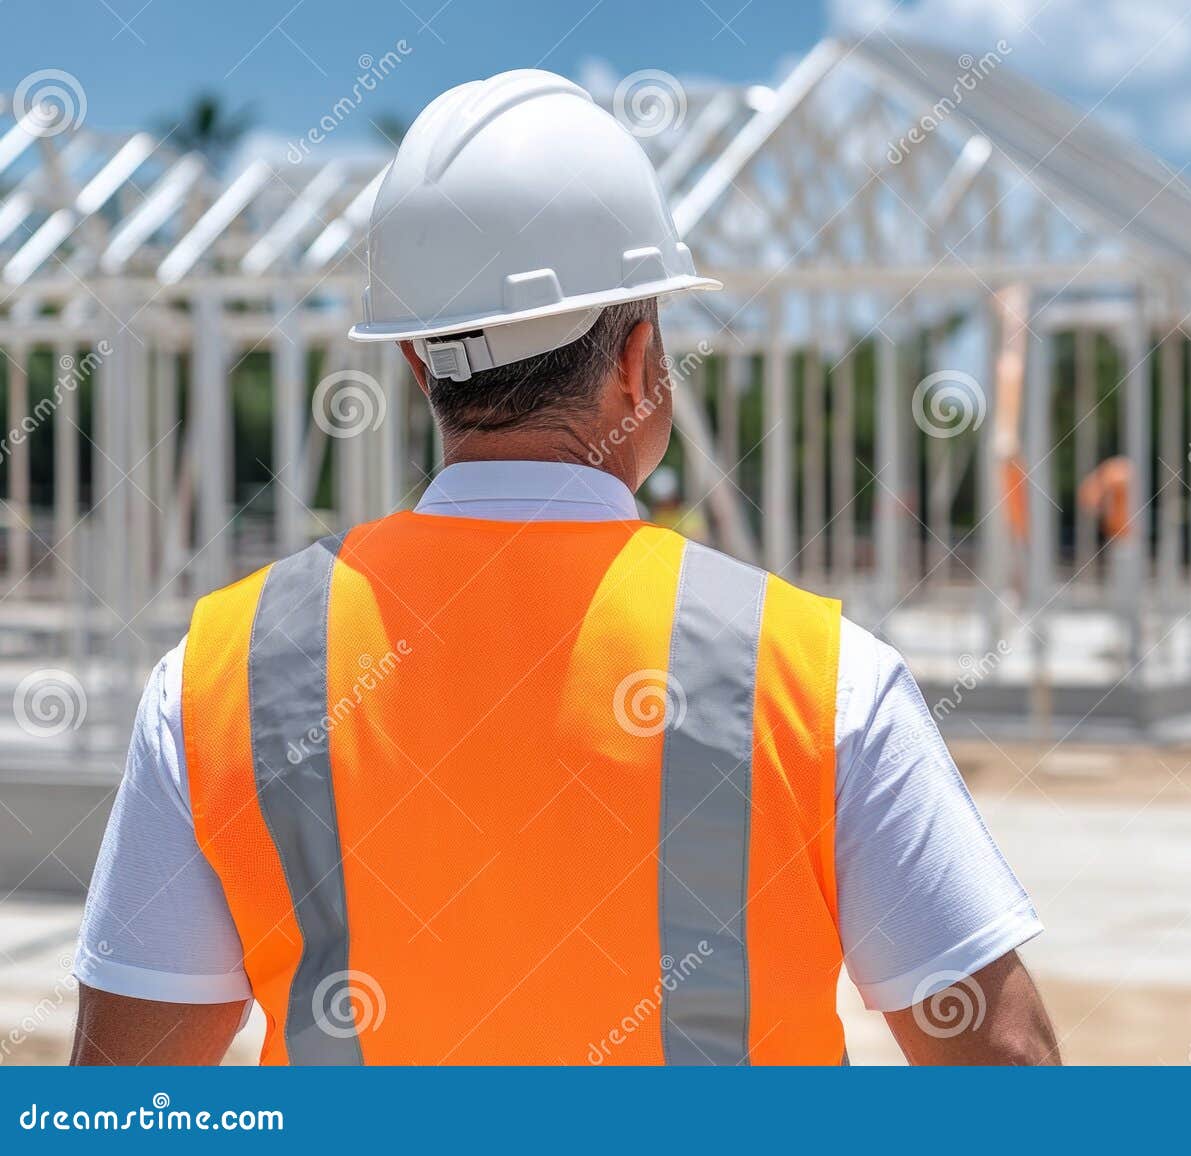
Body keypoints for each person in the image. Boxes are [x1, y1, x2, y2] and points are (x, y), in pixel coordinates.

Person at [71, 69, 1055, 1066]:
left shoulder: (219, 674)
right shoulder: (819, 673)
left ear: (415, 363)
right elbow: (1005, 1065)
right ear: (637, 360)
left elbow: (119, 1096)